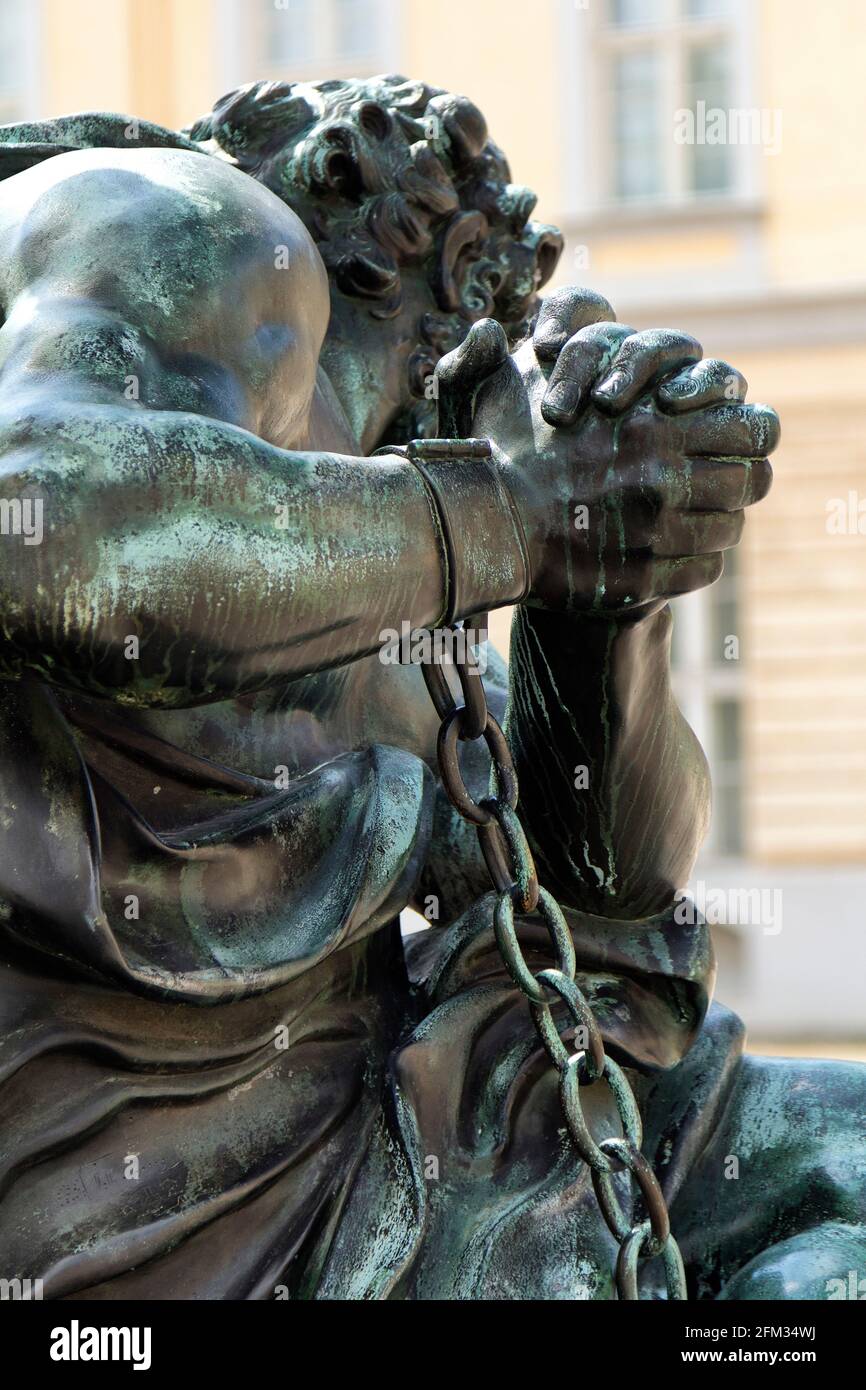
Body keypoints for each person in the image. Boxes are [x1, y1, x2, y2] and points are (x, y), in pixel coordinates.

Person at [0, 76, 860, 1300]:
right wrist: (510, 509)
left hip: (348, 1166)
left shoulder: (375, 587)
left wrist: (600, 610)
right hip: (100, 1223)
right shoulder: (192, 224)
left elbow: (601, 892)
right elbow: (48, 535)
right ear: (438, 312)